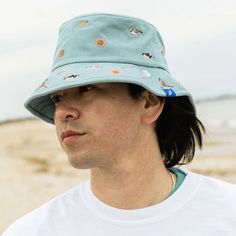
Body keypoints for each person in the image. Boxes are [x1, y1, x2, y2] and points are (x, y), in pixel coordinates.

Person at [3, 13, 236, 236]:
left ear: (149, 103)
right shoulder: (33, 231)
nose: (62, 112)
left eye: (86, 88)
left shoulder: (227, 214)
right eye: (57, 98)